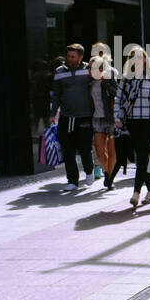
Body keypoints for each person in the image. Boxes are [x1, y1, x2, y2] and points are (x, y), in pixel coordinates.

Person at [113, 47, 150, 209]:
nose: (137, 60)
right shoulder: (126, 79)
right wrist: (117, 117)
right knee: (141, 158)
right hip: (132, 122)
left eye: (140, 57)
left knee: (141, 156)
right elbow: (118, 99)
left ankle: (136, 193)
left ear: (145, 59)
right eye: (133, 57)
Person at [50, 43, 95, 190]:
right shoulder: (59, 71)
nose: (69, 59)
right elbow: (56, 95)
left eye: (73, 56)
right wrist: (52, 114)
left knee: (85, 148)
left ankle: (89, 170)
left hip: (85, 116)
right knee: (68, 149)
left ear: (81, 57)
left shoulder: (89, 69)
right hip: (66, 116)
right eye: (68, 56)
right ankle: (72, 181)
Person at [88, 44, 119, 190]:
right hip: (97, 118)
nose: (90, 70)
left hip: (111, 118)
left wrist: (105, 82)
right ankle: (108, 172)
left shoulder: (110, 75)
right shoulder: (90, 81)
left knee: (112, 151)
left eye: (93, 67)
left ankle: (110, 178)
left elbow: (118, 94)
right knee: (100, 152)